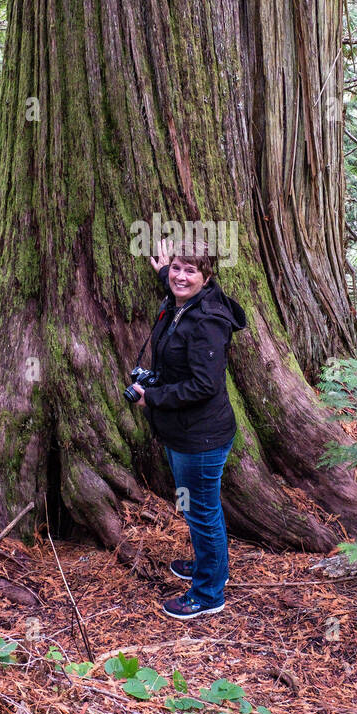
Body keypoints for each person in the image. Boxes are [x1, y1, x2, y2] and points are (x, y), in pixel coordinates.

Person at [130, 234, 247, 620]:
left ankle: (209, 593)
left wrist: (153, 397)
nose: (180, 277)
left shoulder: (208, 323)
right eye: (176, 268)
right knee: (198, 506)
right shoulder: (184, 301)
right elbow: (174, 282)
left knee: (202, 511)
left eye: (190, 270)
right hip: (184, 433)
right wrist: (165, 271)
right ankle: (209, 568)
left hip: (201, 438)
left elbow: (204, 385)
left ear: (207, 276)